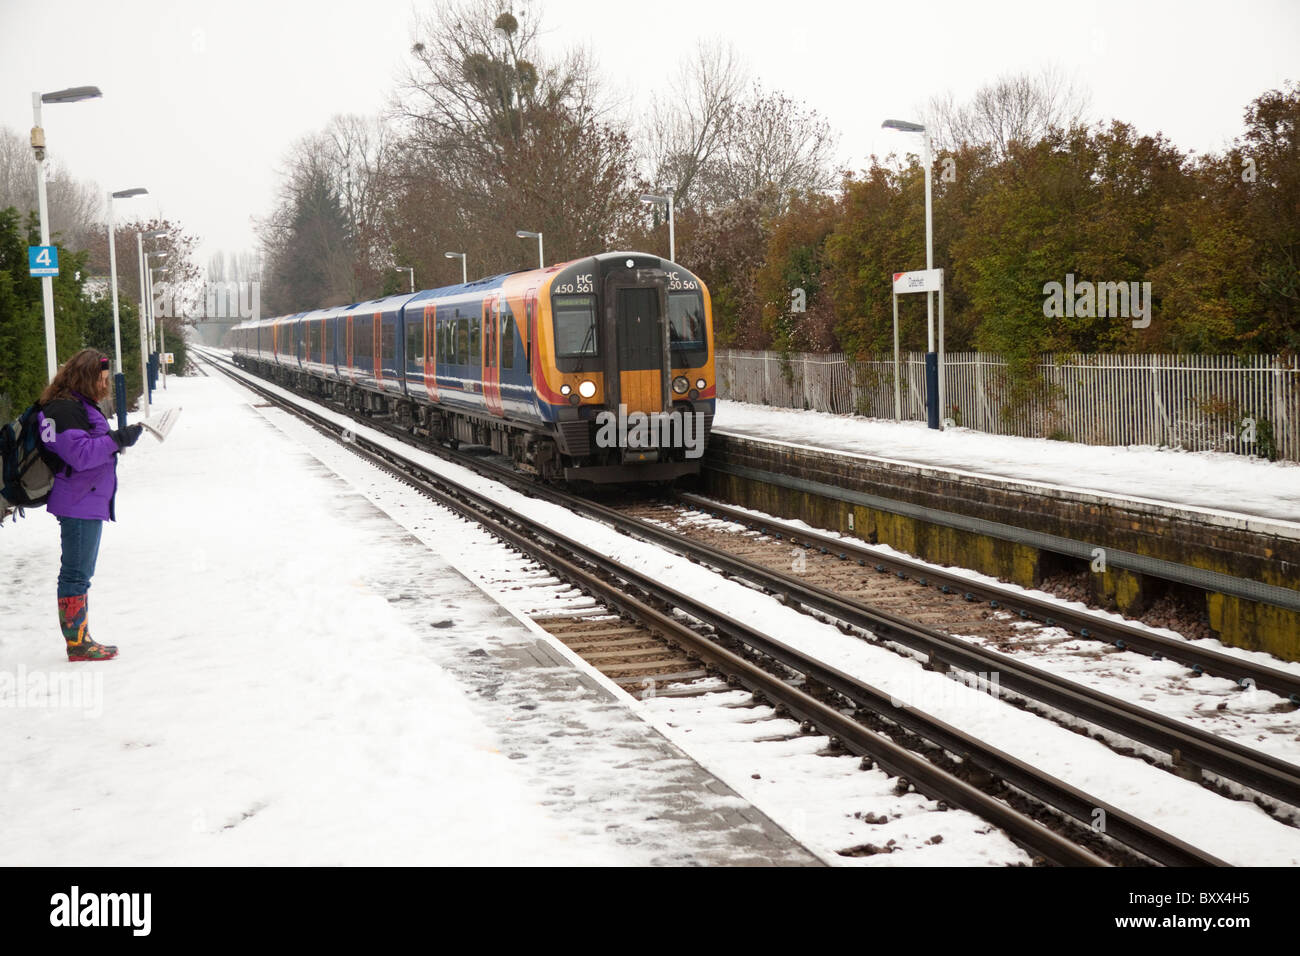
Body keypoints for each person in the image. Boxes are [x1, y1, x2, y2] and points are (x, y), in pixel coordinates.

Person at [37, 349, 143, 661]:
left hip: (84, 499)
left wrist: (118, 439)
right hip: (78, 501)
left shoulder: (74, 404)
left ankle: (80, 639)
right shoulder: (63, 409)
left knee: (79, 572)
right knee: (75, 573)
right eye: (102, 378)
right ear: (86, 376)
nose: (105, 384)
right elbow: (80, 455)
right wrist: (118, 439)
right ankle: (78, 643)